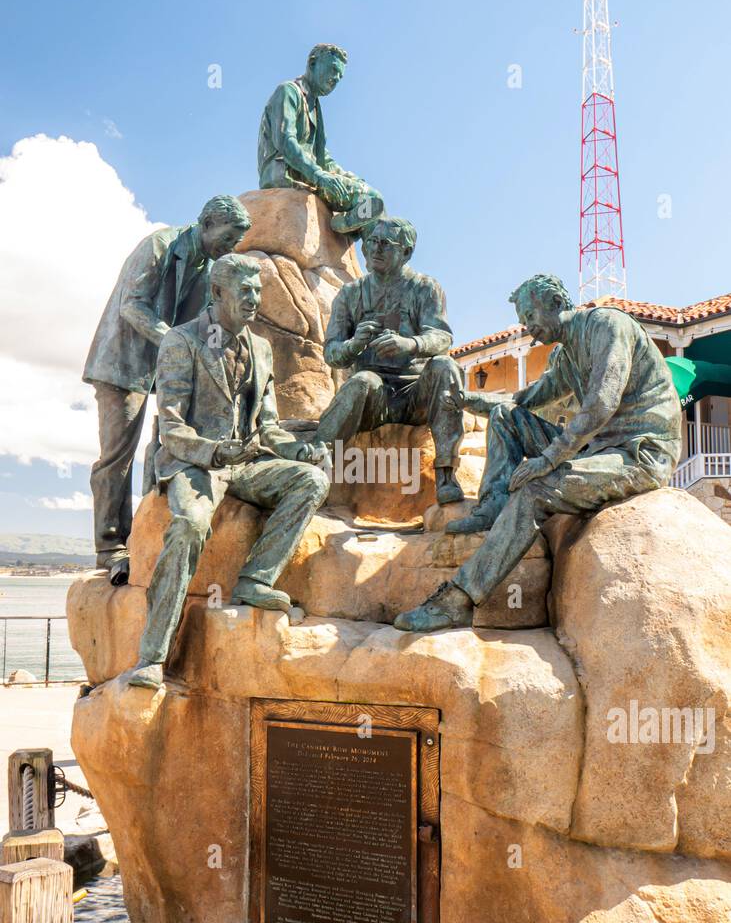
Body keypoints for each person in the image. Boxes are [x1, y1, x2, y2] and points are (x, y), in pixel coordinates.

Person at [394, 273, 682, 632]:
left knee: (536, 490)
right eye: (523, 321)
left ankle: (459, 599)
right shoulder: (565, 354)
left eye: (531, 317)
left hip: (639, 453)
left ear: (556, 303)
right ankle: (493, 507)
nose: (528, 328)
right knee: (505, 417)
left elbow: (600, 404)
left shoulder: (607, 325)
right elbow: (524, 400)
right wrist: (468, 401)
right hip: (600, 449)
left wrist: (548, 460)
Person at [127, 253, 330, 689]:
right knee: (189, 526)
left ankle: (255, 579)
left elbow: (269, 427)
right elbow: (172, 428)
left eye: (258, 290)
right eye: (245, 291)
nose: (254, 298)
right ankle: (152, 656)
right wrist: (215, 452)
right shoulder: (181, 341)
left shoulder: (261, 348)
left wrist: (302, 450)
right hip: (197, 461)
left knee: (311, 480)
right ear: (218, 293)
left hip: (249, 462)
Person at [83, 194, 252, 584]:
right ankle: (110, 549)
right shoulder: (159, 246)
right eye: (228, 238)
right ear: (207, 224)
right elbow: (133, 305)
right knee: (116, 455)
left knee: (167, 441)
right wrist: (177, 343)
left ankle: (147, 533)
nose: (231, 248)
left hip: (168, 365)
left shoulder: (210, 267)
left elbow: (208, 323)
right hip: (122, 362)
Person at [315, 216, 466, 505]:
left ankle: (446, 474)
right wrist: (354, 344)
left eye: (386, 244)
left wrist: (410, 344)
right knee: (361, 380)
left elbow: (442, 337)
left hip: (415, 394)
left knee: (445, 366)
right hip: (374, 398)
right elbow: (331, 353)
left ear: (406, 252)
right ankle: (314, 465)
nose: (375, 249)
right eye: (371, 242)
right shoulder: (349, 294)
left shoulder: (425, 288)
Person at [258, 43, 384, 234]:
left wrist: (350, 178)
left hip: (309, 175)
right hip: (284, 174)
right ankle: (345, 225)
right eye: (333, 70)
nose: (336, 79)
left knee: (373, 202)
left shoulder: (315, 106)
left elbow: (323, 158)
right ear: (313, 63)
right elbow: (285, 141)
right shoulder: (288, 91)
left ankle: (358, 236)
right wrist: (319, 176)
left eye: (340, 76)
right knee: (370, 199)